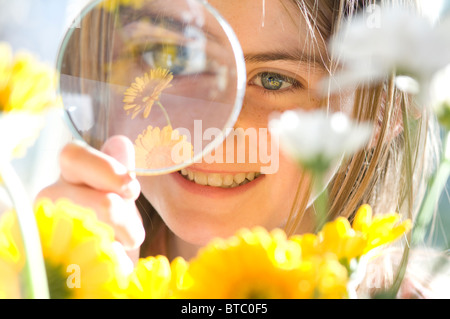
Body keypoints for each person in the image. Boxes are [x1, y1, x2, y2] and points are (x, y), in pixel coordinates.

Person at [37, 0, 445, 297]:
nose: (209, 129)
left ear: (389, 110)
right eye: (171, 58)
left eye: (273, 81)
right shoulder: (35, 271)